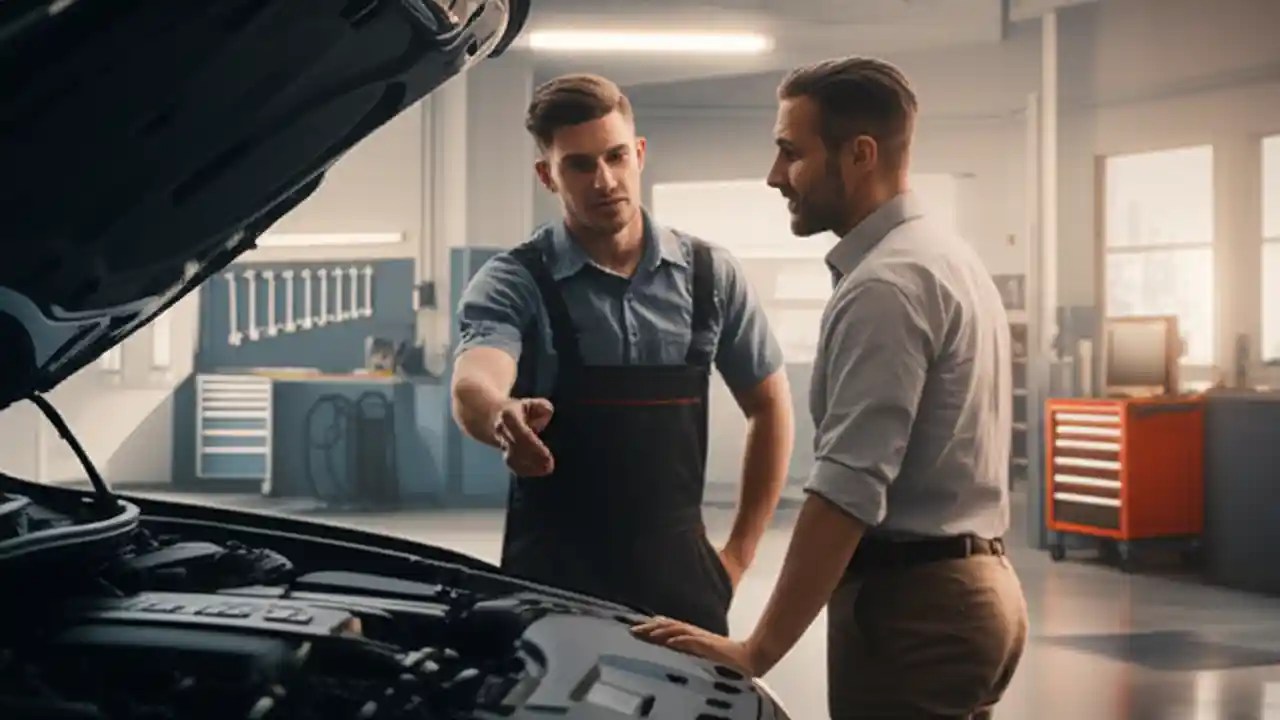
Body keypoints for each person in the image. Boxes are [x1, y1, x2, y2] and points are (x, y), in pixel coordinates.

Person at [632, 56, 1029, 718]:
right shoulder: (942, 254)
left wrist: (756, 650)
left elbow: (847, 486)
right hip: (973, 588)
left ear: (860, 155)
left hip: (918, 611)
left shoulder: (886, 286)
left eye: (792, 153)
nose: (774, 176)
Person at [450, 73, 794, 636]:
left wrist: (736, 559)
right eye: (580, 165)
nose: (604, 180)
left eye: (615, 157)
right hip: (552, 580)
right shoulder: (514, 280)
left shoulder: (710, 277)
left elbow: (771, 406)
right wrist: (499, 414)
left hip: (681, 579)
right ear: (548, 175)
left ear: (638, 154)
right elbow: (474, 383)